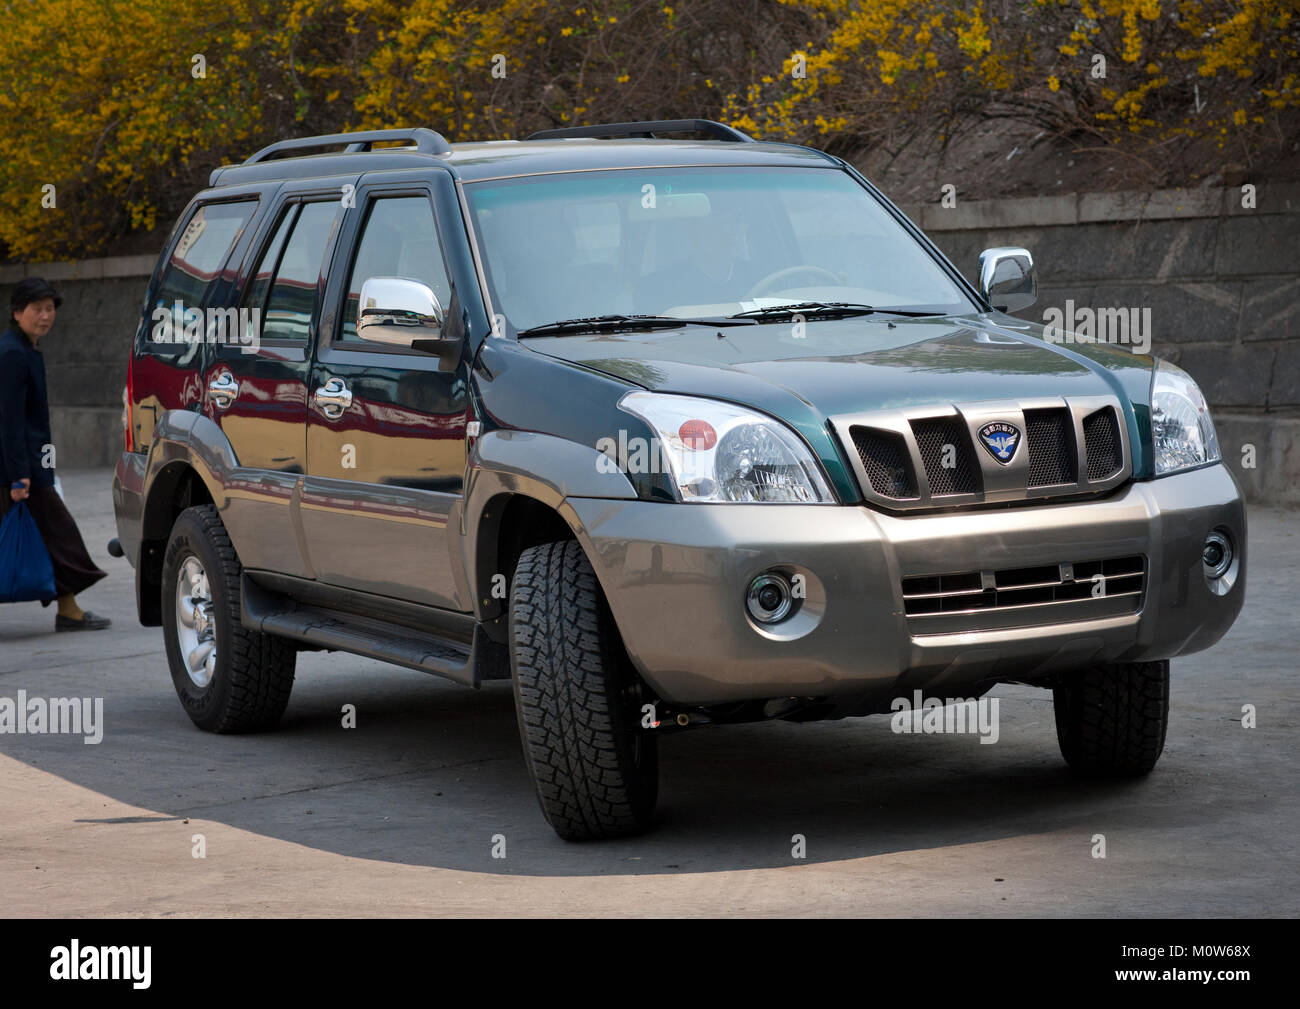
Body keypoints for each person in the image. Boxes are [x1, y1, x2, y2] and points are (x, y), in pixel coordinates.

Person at [0, 277, 110, 630]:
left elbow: (37, 422)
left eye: (50, 309)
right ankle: (69, 609)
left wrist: (48, 468)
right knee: (59, 534)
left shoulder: (26, 349)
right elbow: (10, 421)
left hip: (33, 466)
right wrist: (20, 475)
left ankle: (69, 609)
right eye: (37, 309)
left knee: (55, 536)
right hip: (16, 468)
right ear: (17, 312)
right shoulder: (12, 354)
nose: (45, 316)